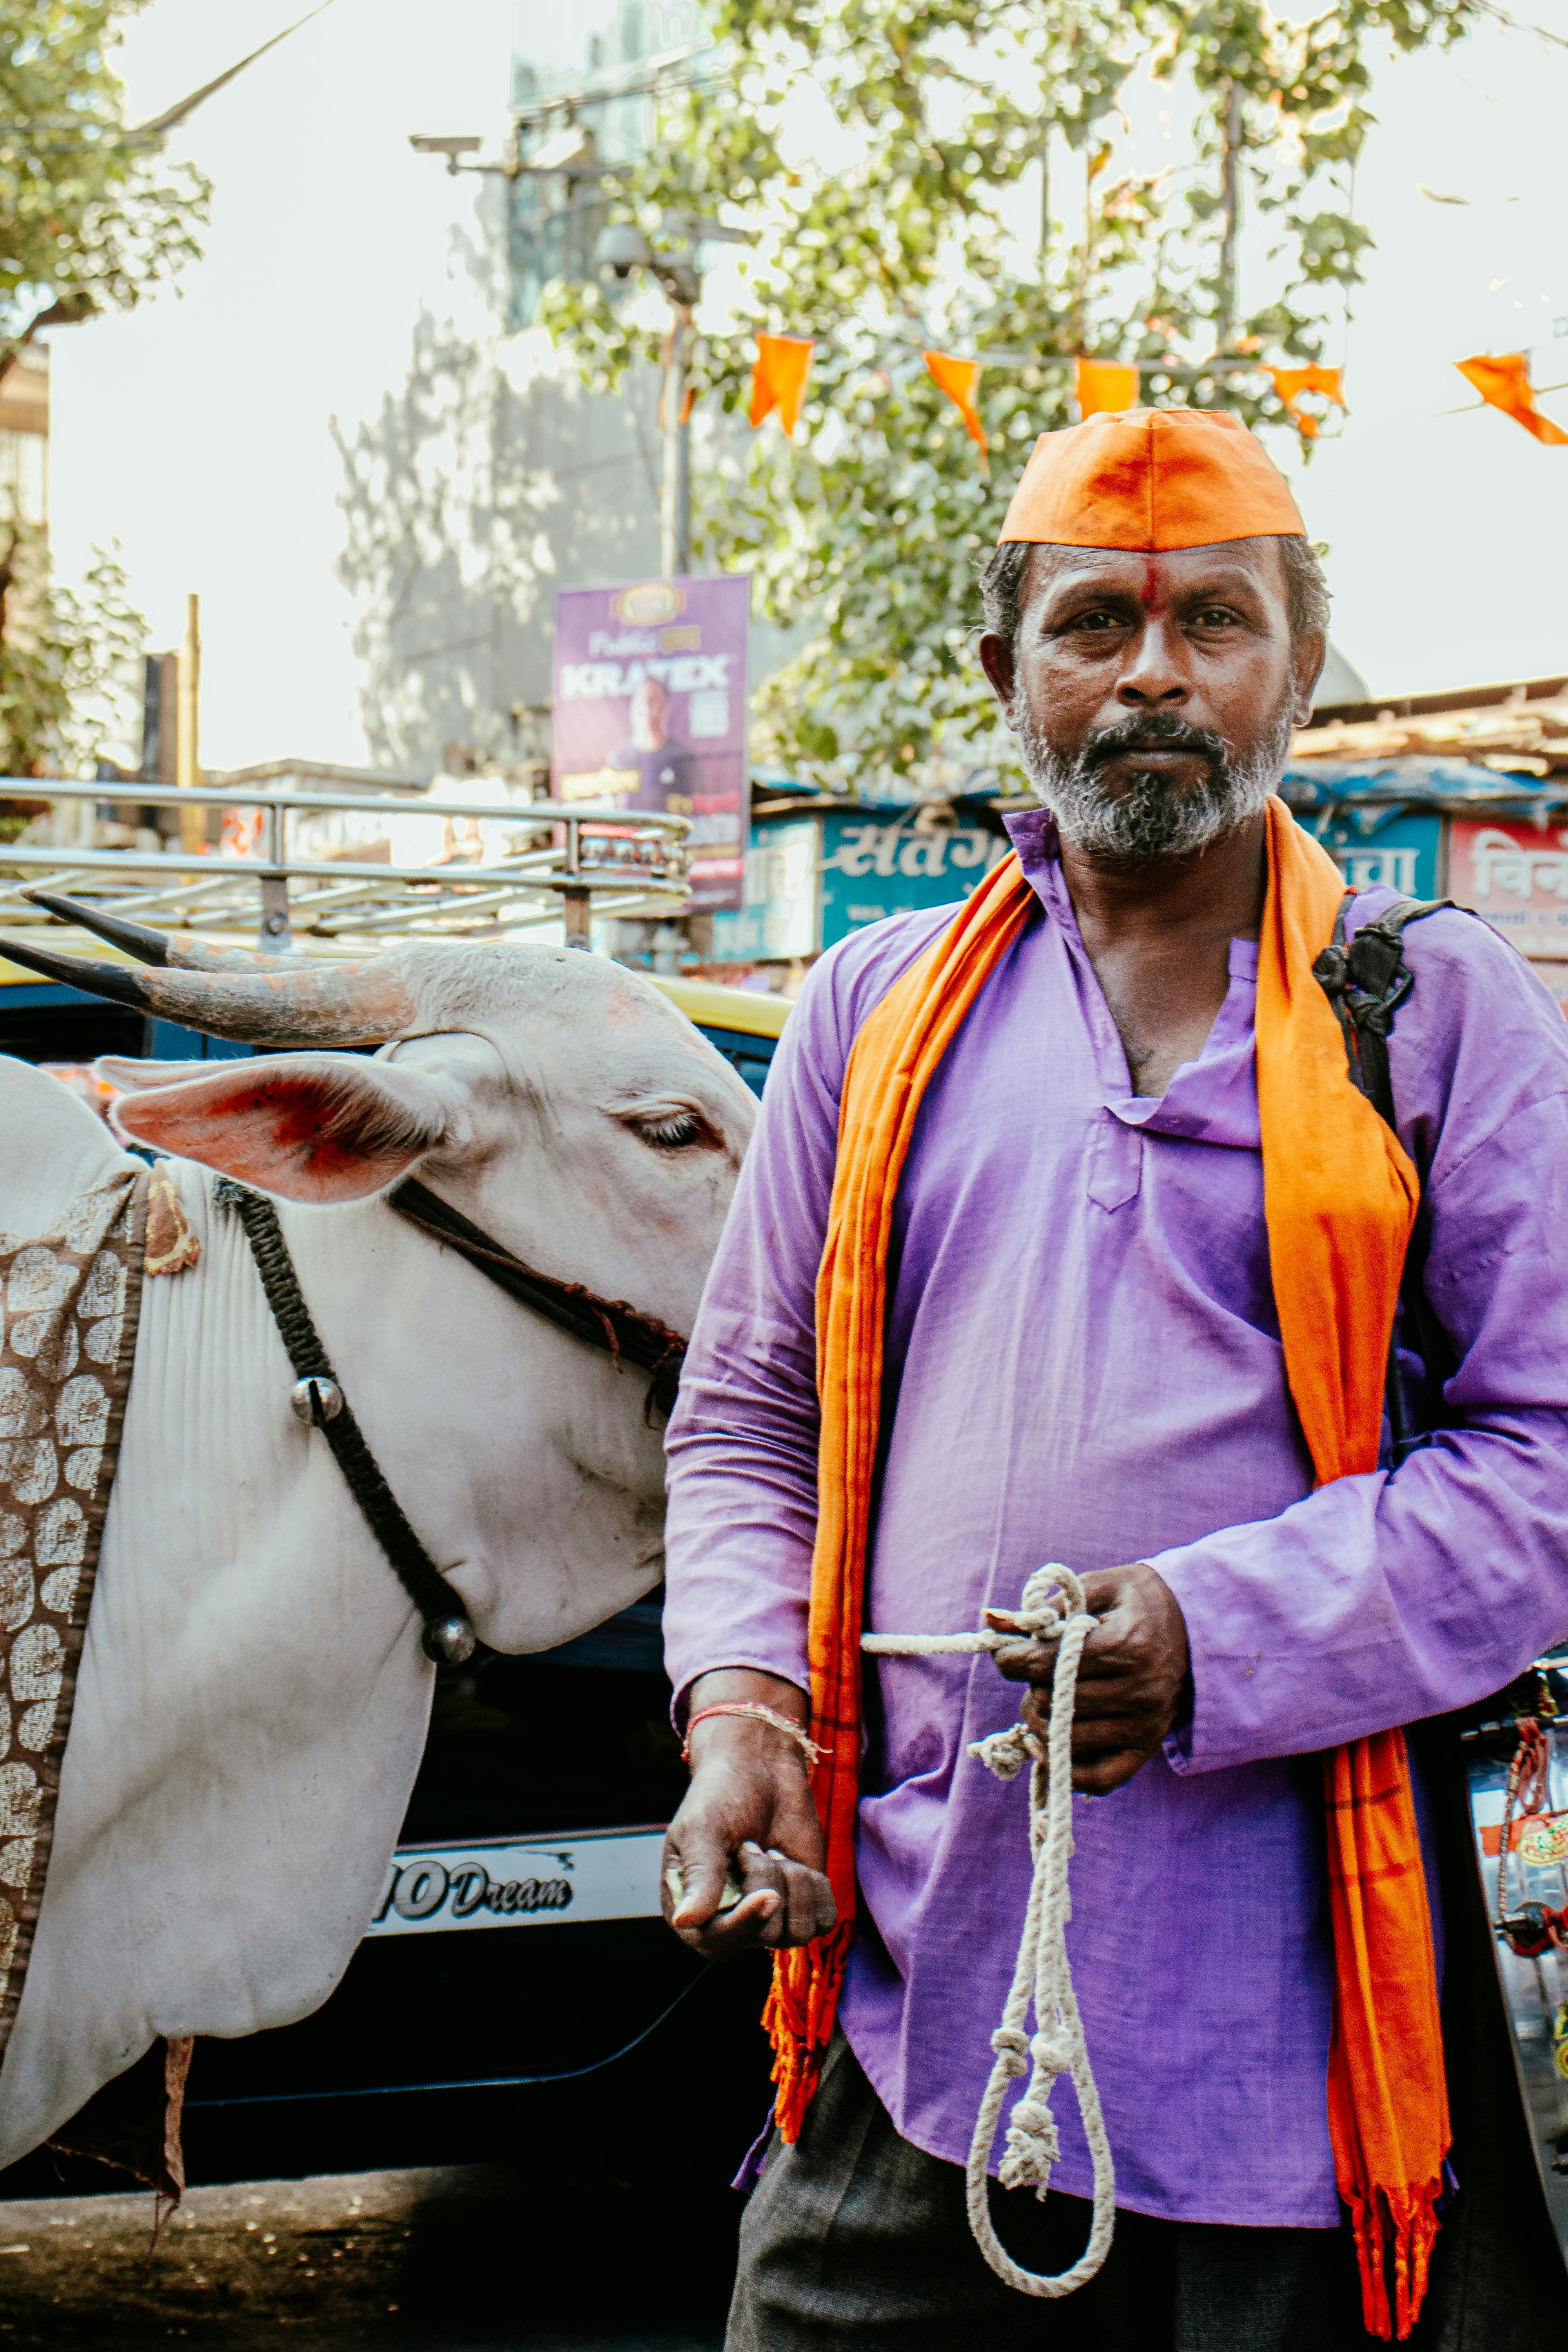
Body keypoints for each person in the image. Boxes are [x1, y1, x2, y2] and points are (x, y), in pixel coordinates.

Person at [658, 406, 1568, 2351]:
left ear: (1293, 670)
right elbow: (751, 1425)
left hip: (1299, 2061)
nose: (1152, 671)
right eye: (1091, 623)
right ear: (1005, 674)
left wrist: (1212, 1638)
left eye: (1211, 621)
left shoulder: (1427, 1011)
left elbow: (1543, 1470)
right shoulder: (869, 1007)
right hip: (915, 1996)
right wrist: (741, 1709)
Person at [606, 674, 699, 809]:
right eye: (642, 699)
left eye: (653, 699)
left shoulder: (683, 756)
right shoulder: (618, 759)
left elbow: (695, 807)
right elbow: (609, 810)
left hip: (668, 831)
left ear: (666, 706)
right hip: (629, 831)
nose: (647, 705)